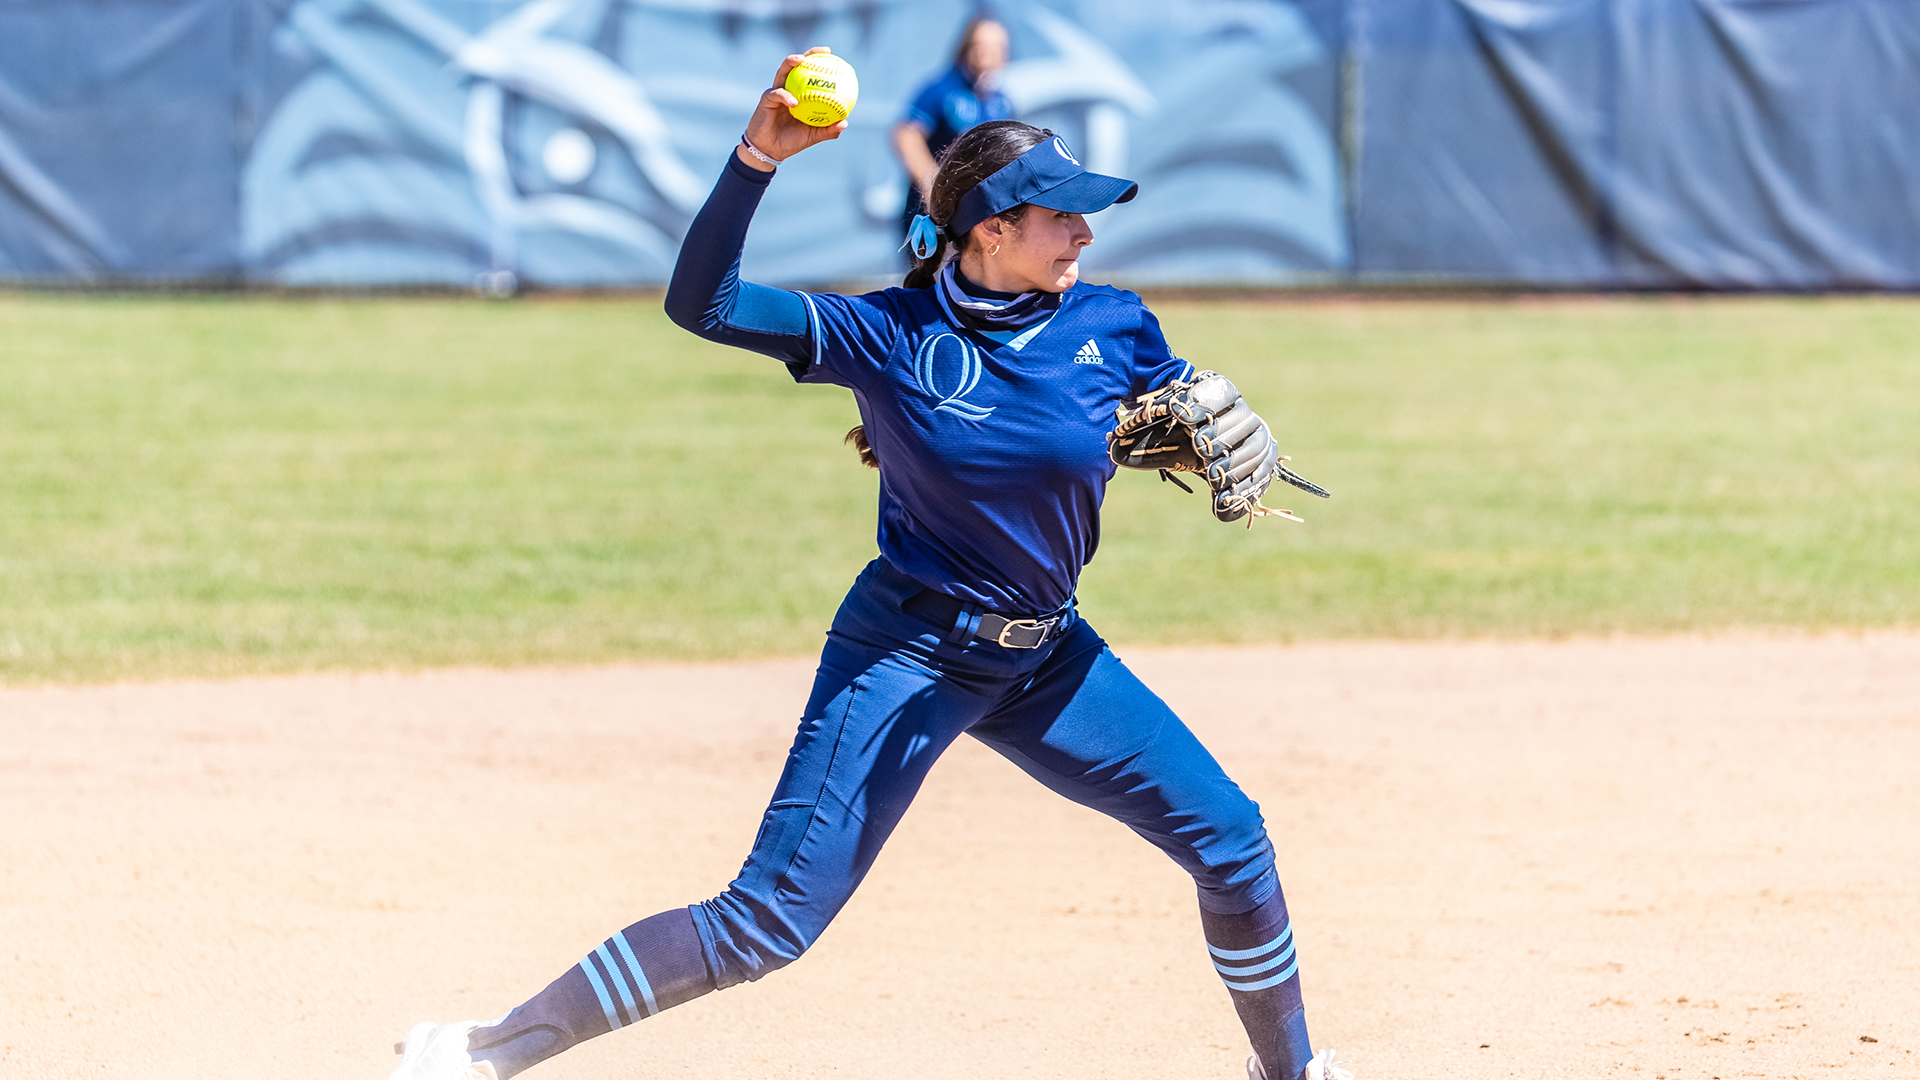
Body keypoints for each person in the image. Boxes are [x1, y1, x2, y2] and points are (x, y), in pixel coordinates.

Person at [387, 48, 1352, 1080]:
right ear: (991, 231)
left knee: (1234, 844)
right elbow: (702, 305)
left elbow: (1167, 409)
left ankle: (1291, 1073)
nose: (1085, 230)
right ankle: (481, 1052)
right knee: (765, 924)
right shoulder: (887, 336)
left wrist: (1201, 417)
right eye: (1060, 214)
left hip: (1047, 659)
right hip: (909, 651)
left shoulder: (1112, 321)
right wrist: (758, 156)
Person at [892, 16, 1014, 238]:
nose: (990, 54)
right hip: (933, 219)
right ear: (966, 48)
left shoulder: (1001, 101)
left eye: (998, 48)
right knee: (934, 272)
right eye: (982, 46)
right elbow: (906, 135)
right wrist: (932, 183)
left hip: (979, 216)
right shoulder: (941, 90)